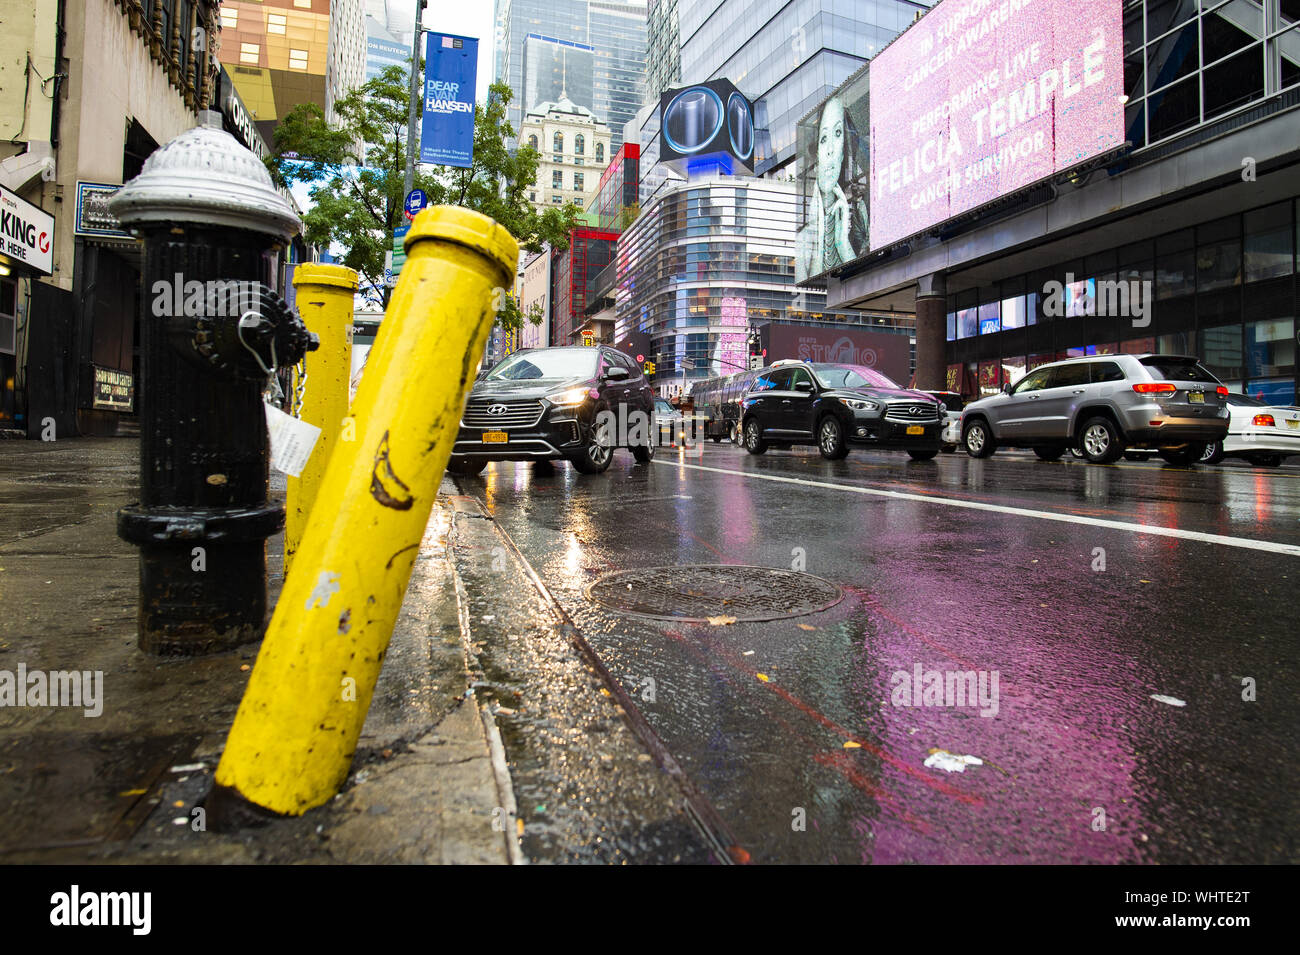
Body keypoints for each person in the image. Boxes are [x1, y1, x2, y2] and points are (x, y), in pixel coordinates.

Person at [801, 97, 869, 278]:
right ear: (816, 157)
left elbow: (866, 280)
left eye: (838, 133)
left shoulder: (859, 212)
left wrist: (841, 242)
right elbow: (809, 291)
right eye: (824, 138)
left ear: (842, 153)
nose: (830, 148)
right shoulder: (802, 239)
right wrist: (821, 228)